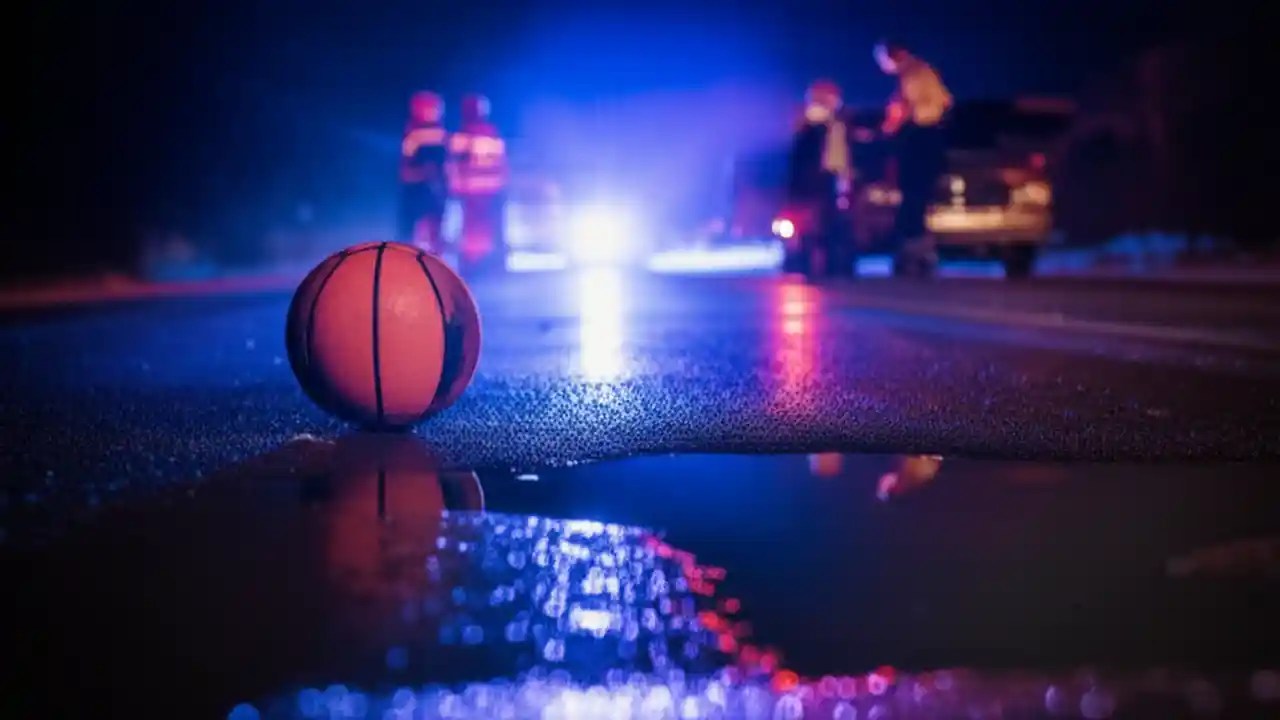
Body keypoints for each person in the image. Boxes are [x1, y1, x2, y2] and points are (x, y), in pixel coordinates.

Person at [874, 40, 953, 272]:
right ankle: (917, 250)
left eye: (883, 60)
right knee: (915, 197)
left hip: (921, 137)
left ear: (893, 55)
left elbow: (910, 108)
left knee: (914, 197)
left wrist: (891, 126)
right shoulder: (921, 71)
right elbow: (945, 100)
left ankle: (915, 251)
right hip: (924, 137)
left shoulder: (914, 73)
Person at [785, 79, 858, 277]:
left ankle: (822, 263)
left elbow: (840, 156)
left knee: (824, 222)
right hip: (819, 179)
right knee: (821, 222)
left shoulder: (832, 124)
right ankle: (824, 263)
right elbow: (833, 157)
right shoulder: (817, 124)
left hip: (822, 179)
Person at [448, 94, 509, 273]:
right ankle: (480, 265)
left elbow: (453, 165)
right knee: (477, 231)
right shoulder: (491, 133)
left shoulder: (463, 134)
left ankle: (478, 265)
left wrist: (454, 188)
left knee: (477, 231)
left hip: (475, 193)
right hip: (483, 193)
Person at [398, 91, 450, 253]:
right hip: (420, 190)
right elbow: (406, 168)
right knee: (423, 230)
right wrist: (424, 173)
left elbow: (447, 161)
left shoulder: (438, 132)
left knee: (435, 229)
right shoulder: (414, 133)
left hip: (433, 189)